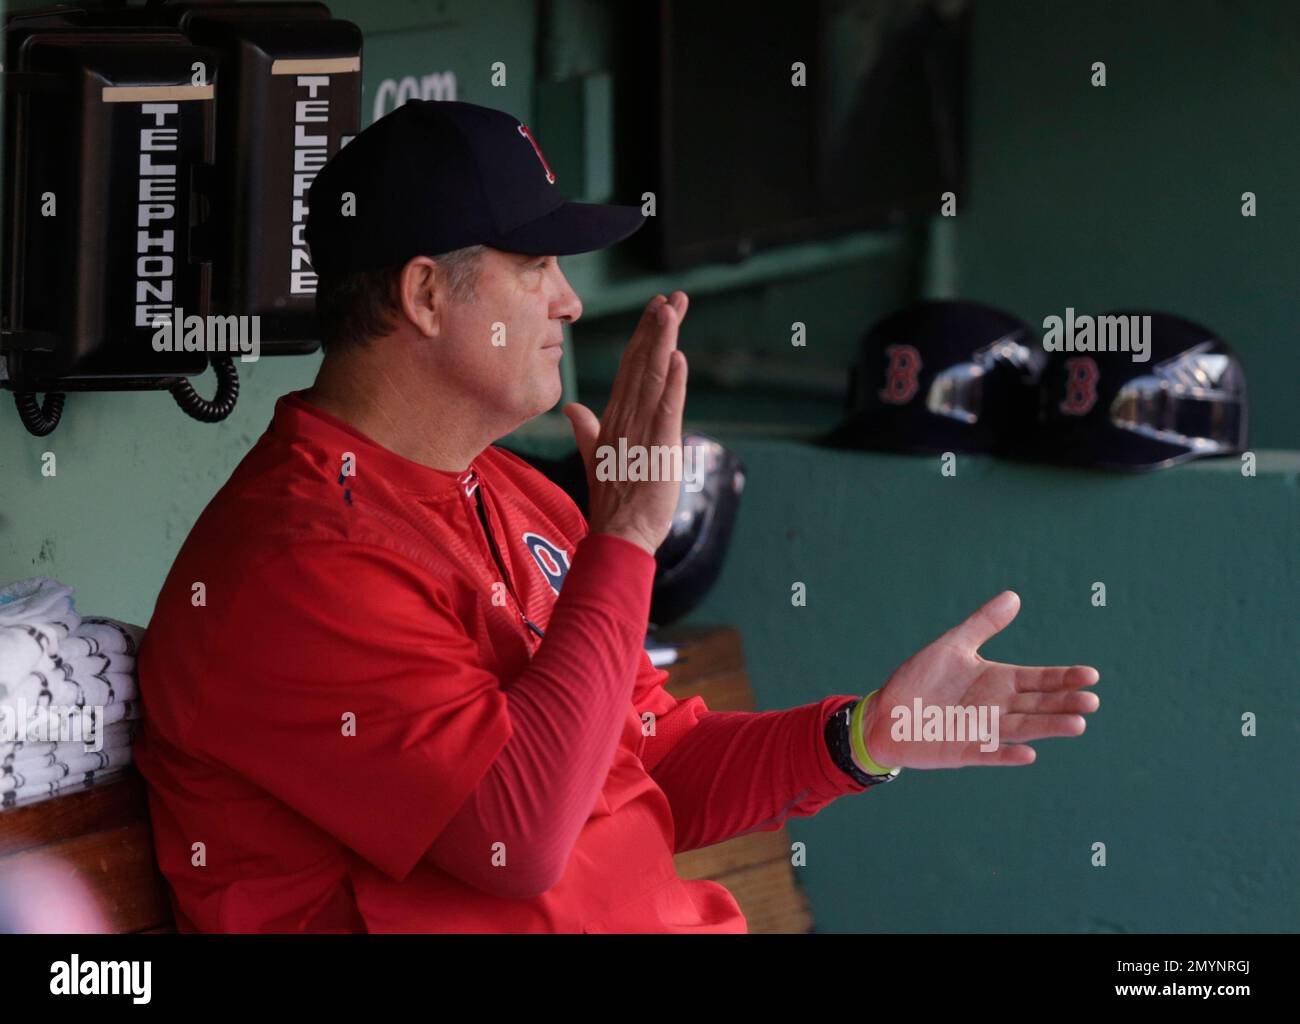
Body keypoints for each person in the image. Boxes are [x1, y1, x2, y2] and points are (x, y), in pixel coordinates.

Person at [133, 100, 1100, 933]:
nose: (567, 302)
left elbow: (652, 764)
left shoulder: (512, 494)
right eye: (536, 264)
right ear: (424, 293)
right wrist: (626, 539)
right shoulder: (296, 560)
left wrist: (866, 736)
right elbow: (517, 837)